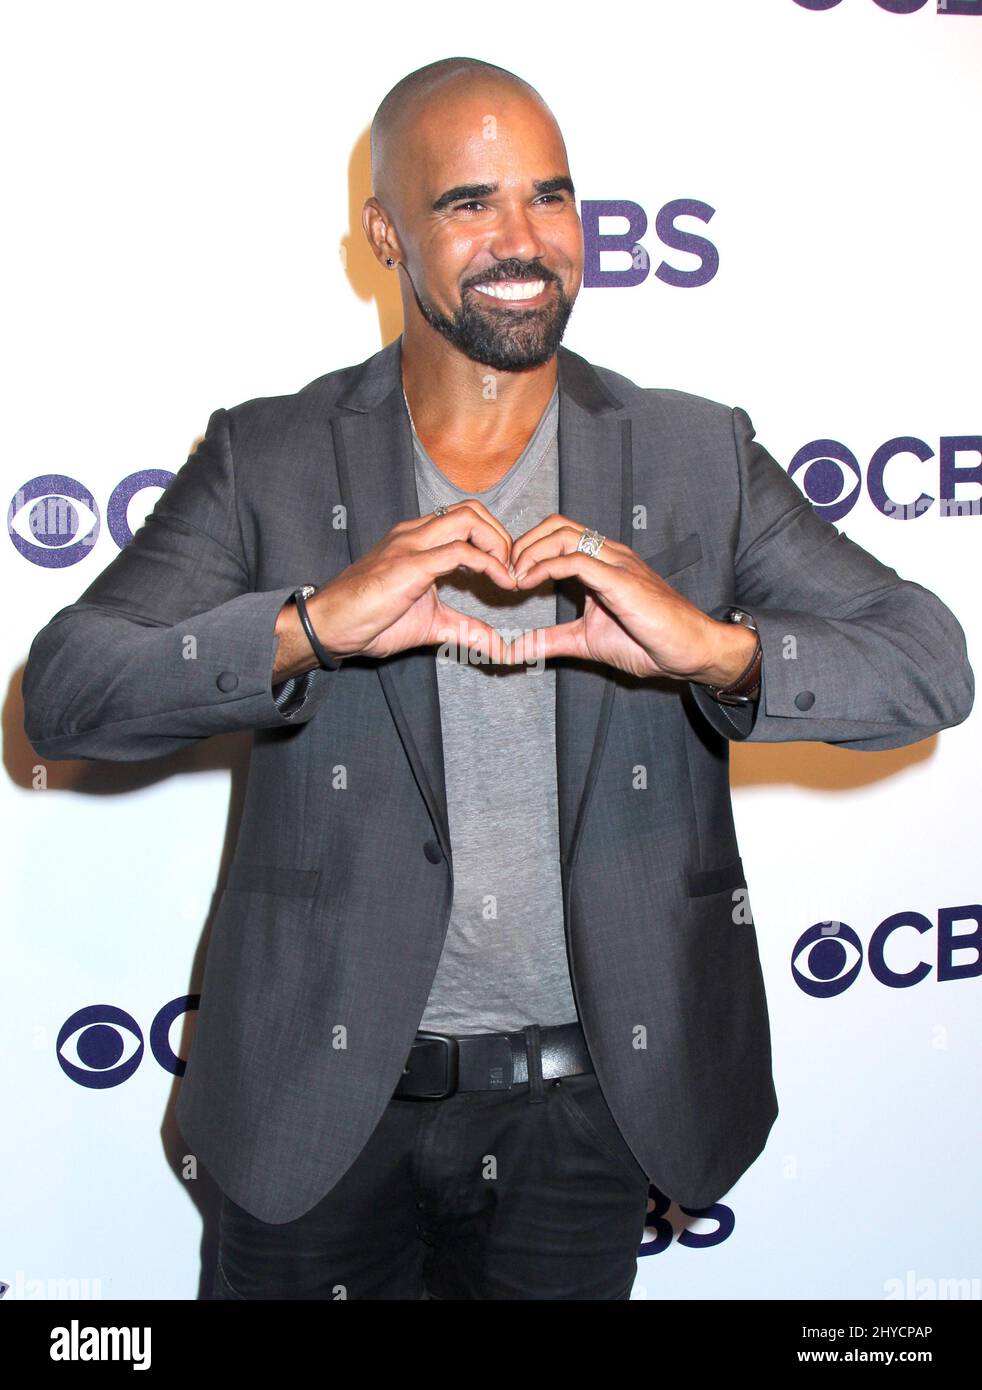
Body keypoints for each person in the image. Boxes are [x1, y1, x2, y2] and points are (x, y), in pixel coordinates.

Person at [22, 56, 974, 1302]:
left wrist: (716, 648)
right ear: (384, 235)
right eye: (469, 203)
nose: (522, 240)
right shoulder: (270, 454)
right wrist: (308, 626)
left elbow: (929, 662)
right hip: (316, 1107)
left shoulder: (697, 453)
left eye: (550, 197)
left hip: (582, 1119)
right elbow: (67, 694)